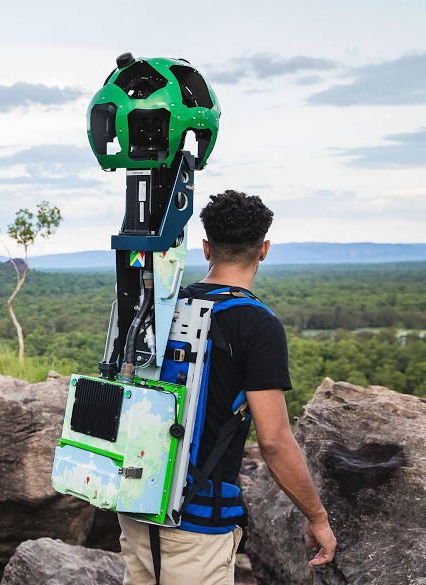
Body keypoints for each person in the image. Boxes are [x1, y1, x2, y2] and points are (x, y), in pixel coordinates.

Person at [117, 190, 337, 585]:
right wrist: (317, 517)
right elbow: (273, 440)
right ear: (264, 249)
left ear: (206, 248)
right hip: (197, 524)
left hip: (136, 503)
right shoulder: (257, 325)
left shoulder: (164, 306)